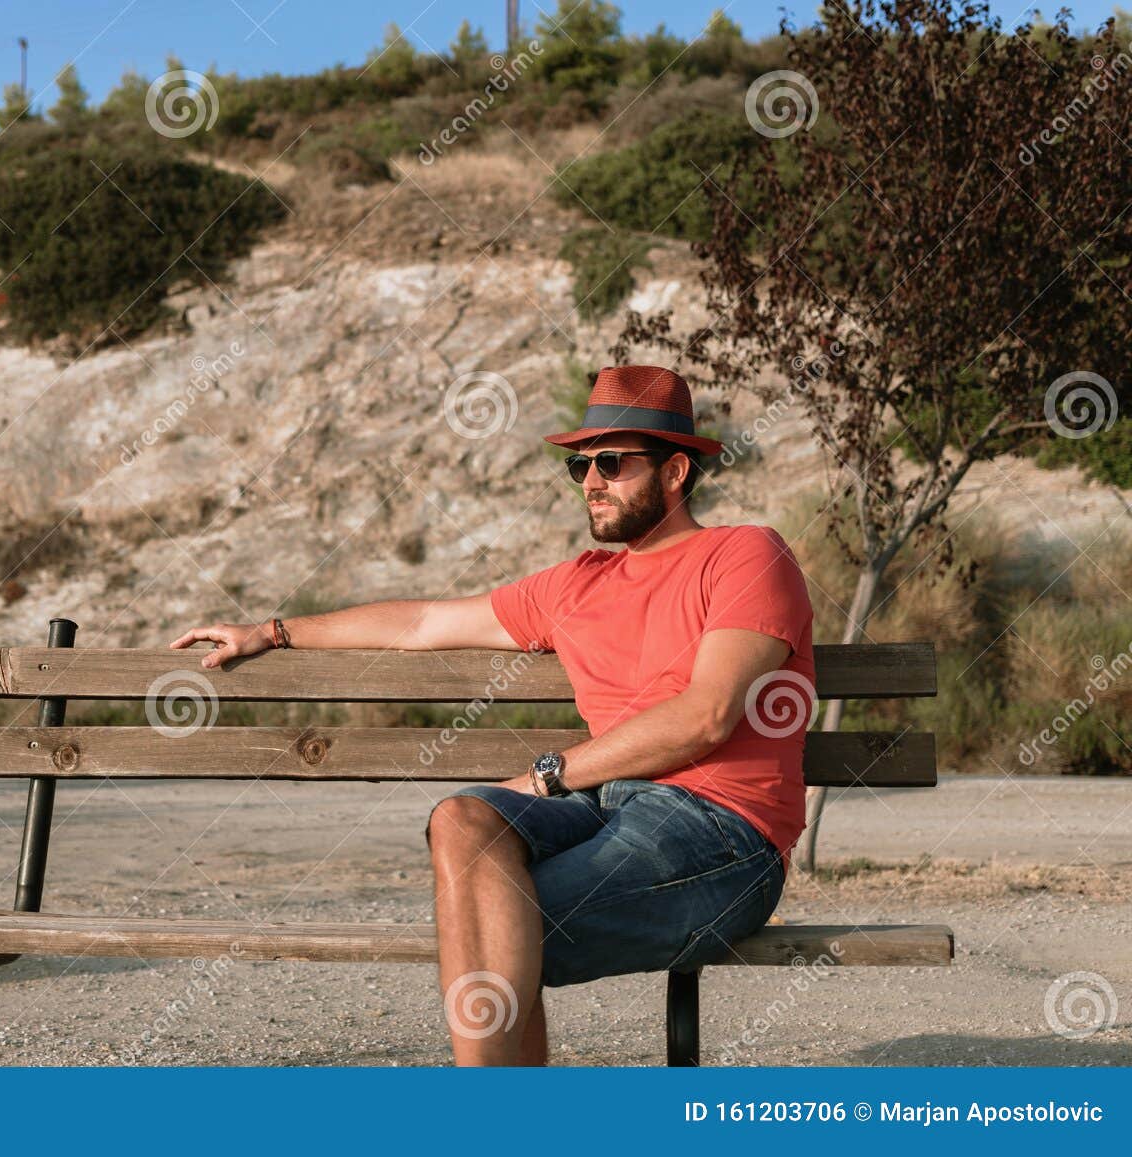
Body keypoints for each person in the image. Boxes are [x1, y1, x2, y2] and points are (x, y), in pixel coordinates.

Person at [169, 364, 815, 1066]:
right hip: (609, 810)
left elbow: (707, 715)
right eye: (580, 465)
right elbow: (420, 622)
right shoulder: (576, 584)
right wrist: (274, 630)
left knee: (492, 922)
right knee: (463, 819)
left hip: (722, 832)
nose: (590, 481)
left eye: (612, 462)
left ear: (676, 471)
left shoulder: (745, 554)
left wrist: (546, 776)